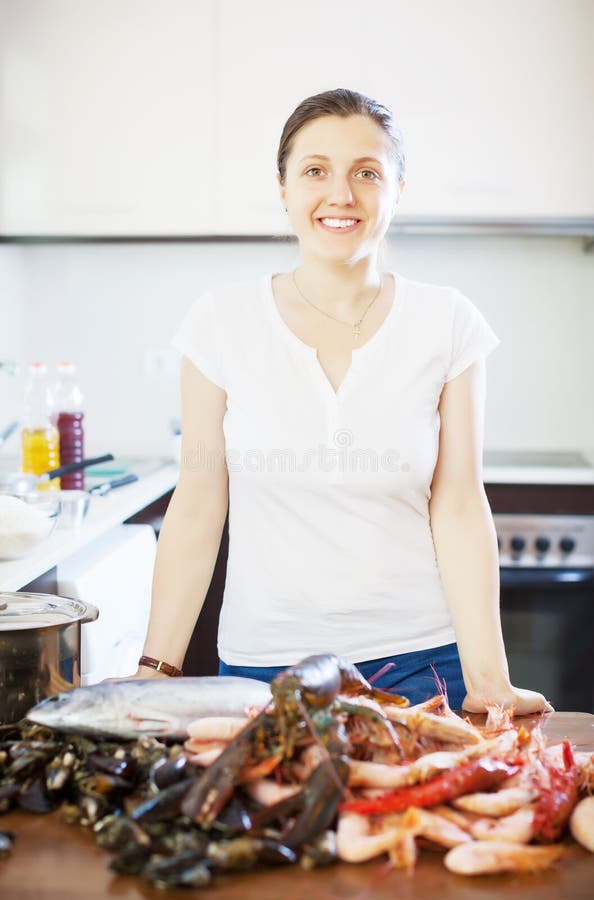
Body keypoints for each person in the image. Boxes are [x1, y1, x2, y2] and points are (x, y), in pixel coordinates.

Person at [134, 88, 551, 715]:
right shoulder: (219, 322)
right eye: (315, 171)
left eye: (367, 173)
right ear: (282, 187)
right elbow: (197, 504)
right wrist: (156, 671)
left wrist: (489, 676)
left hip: (422, 667)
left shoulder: (449, 323)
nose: (341, 195)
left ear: (398, 189)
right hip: (261, 669)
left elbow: (460, 503)